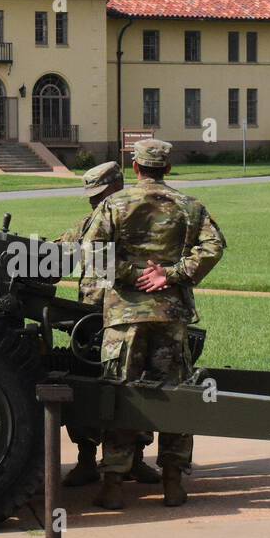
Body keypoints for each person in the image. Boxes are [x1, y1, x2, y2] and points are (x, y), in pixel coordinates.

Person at [81, 138, 225, 509]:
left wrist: (130, 273)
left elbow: (93, 251)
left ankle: (113, 482)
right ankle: (173, 482)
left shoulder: (115, 204)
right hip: (170, 314)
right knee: (174, 398)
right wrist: (172, 275)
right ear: (168, 169)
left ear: (136, 168)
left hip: (124, 317)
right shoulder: (189, 206)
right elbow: (214, 246)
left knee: (120, 396)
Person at [54, 161, 158, 487]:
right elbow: (58, 252)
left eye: (99, 195)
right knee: (84, 382)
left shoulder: (140, 223)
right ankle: (86, 459)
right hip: (90, 319)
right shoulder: (89, 222)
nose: (93, 202)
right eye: (90, 197)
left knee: (135, 386)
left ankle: (134, 459)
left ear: (117, 187)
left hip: (127, 318)